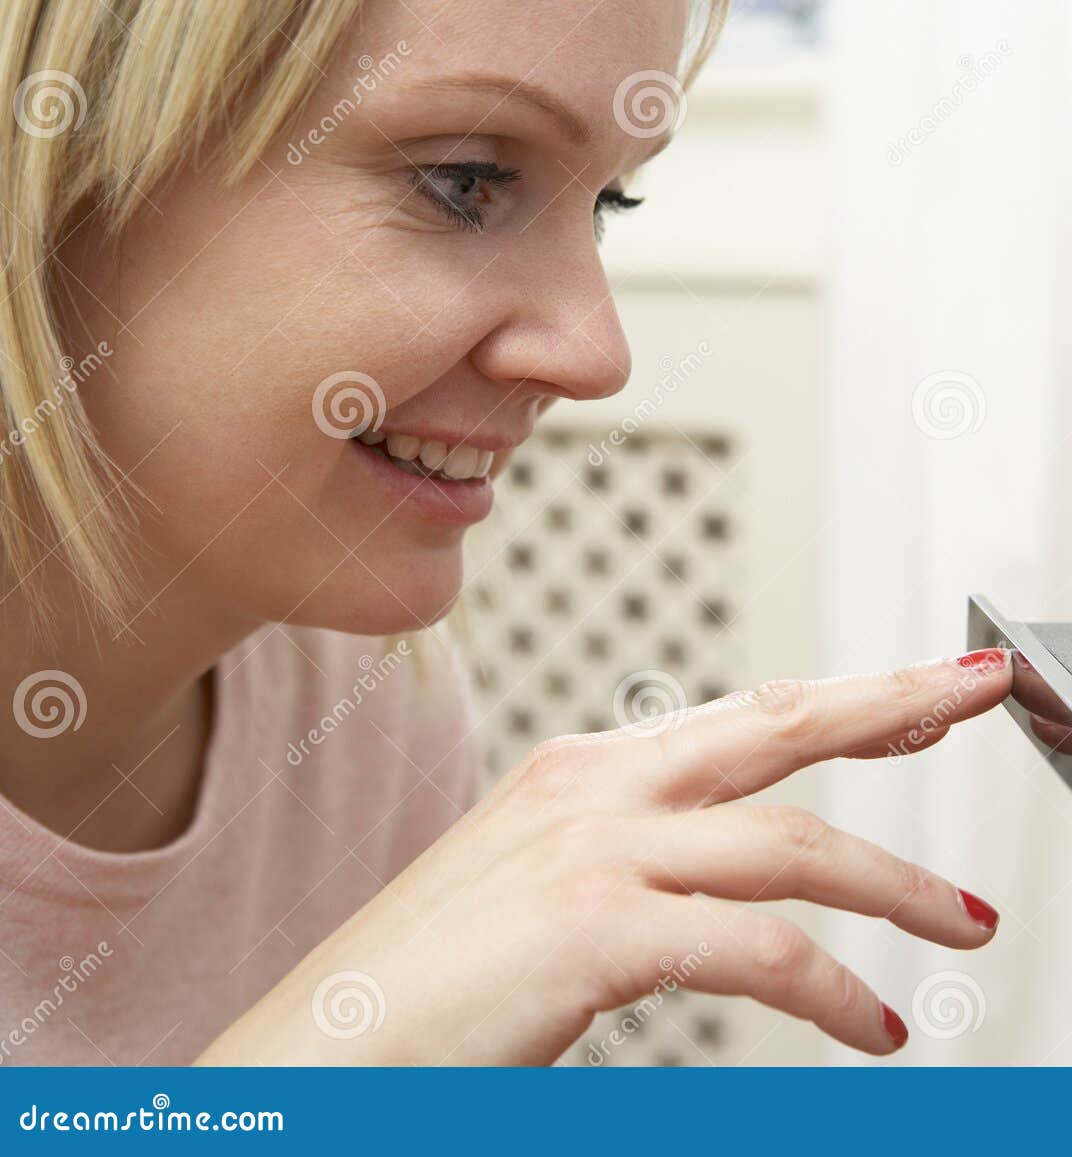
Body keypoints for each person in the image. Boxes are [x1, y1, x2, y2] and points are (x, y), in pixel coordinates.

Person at [0, 0, 1011, 1066]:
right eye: (465, 181)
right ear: (56, 173)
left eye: (607, 203)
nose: (595, 353)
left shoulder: (368, 709)